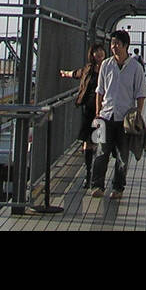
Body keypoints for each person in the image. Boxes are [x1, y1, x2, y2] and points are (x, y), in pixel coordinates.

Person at [92, 29, 146, 199]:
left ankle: (118, 187)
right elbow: (99, 91)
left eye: (117, 44)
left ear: (126, 46)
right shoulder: (106, 65)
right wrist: (97, 113)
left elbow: (140, 93)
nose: (114, 47)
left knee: (122, 154)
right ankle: (97, 185)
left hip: (125, 117)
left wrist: (137, 115)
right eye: (112, 43)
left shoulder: (135, 68)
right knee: (101, 151)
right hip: (106, 115)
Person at [59, 41, 106, 188]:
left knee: (100, 142)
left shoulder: (109, 67)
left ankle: (98, 176)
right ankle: (88, 173)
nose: (99, 54)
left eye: (100, 51)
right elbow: (77, 73)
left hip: (103, 111)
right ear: (91, 55)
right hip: (88, 109)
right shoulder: (88, 69)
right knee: (88, 141)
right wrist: (65, 73)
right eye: (95, 51)